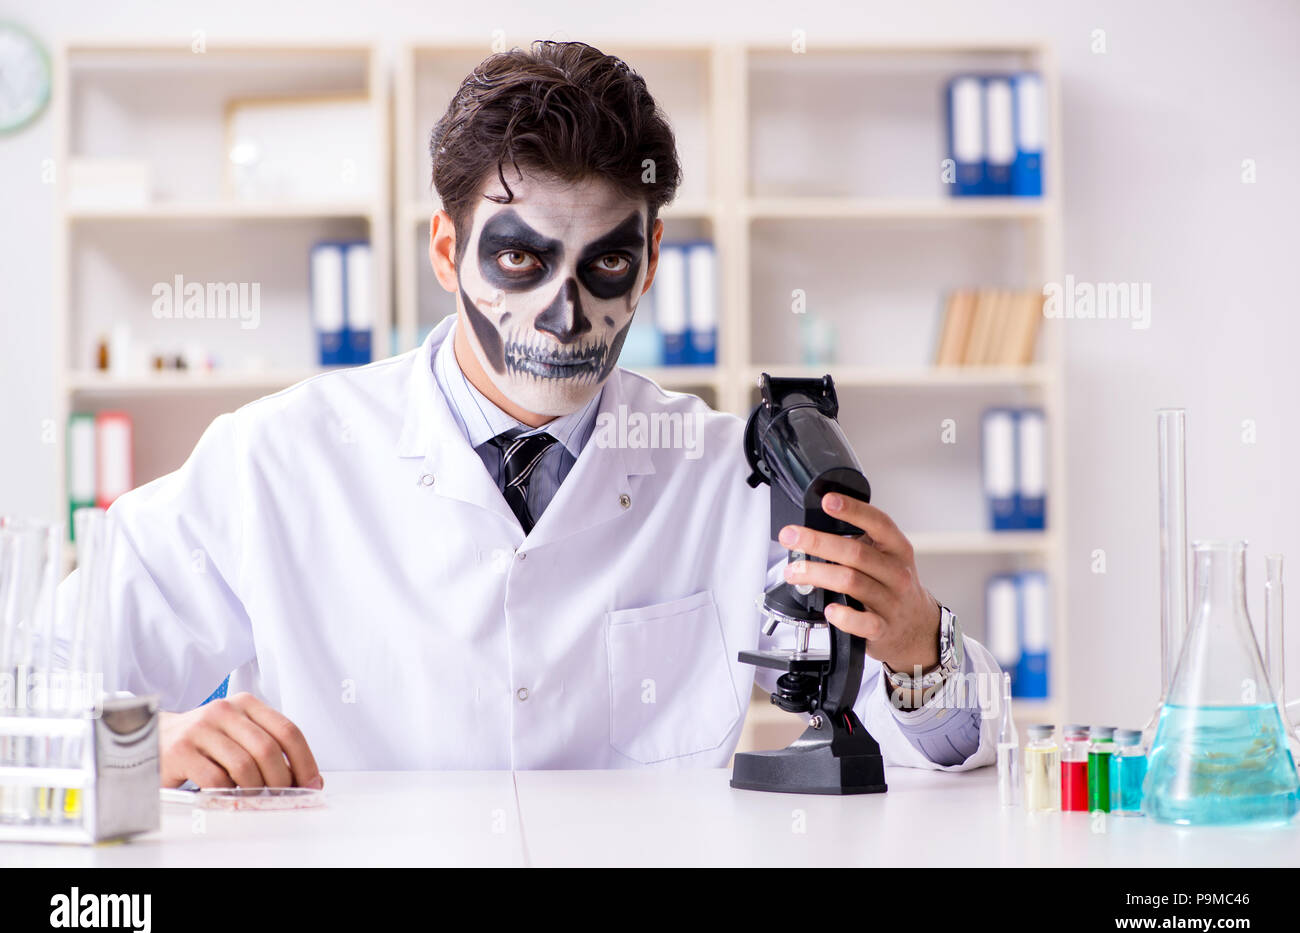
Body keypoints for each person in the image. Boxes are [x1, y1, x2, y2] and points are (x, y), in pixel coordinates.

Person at [60, 40, 998, 790]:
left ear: (654, 255)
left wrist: (919, 647)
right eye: (520, 261)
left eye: (606, 265)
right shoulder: (274, 458)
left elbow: (954, 756)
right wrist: (147, 741)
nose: (565, 312)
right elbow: (41, 685)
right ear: (446, 248)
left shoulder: (730, 472)